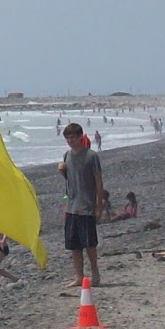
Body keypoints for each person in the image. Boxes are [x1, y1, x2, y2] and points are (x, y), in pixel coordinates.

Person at [58, 122, 105, 287]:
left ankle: (95, 273)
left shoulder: (91, 156)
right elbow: (70, 182)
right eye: (68, 138)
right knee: (74, 245)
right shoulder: (66, 156)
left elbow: (98, 182)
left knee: (90, 244)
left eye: (73, 137)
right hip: (71, 207)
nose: (71, 140)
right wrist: (62, 172)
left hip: (87, 206)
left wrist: (99, 206)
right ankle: (79, 276)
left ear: (80, 137)